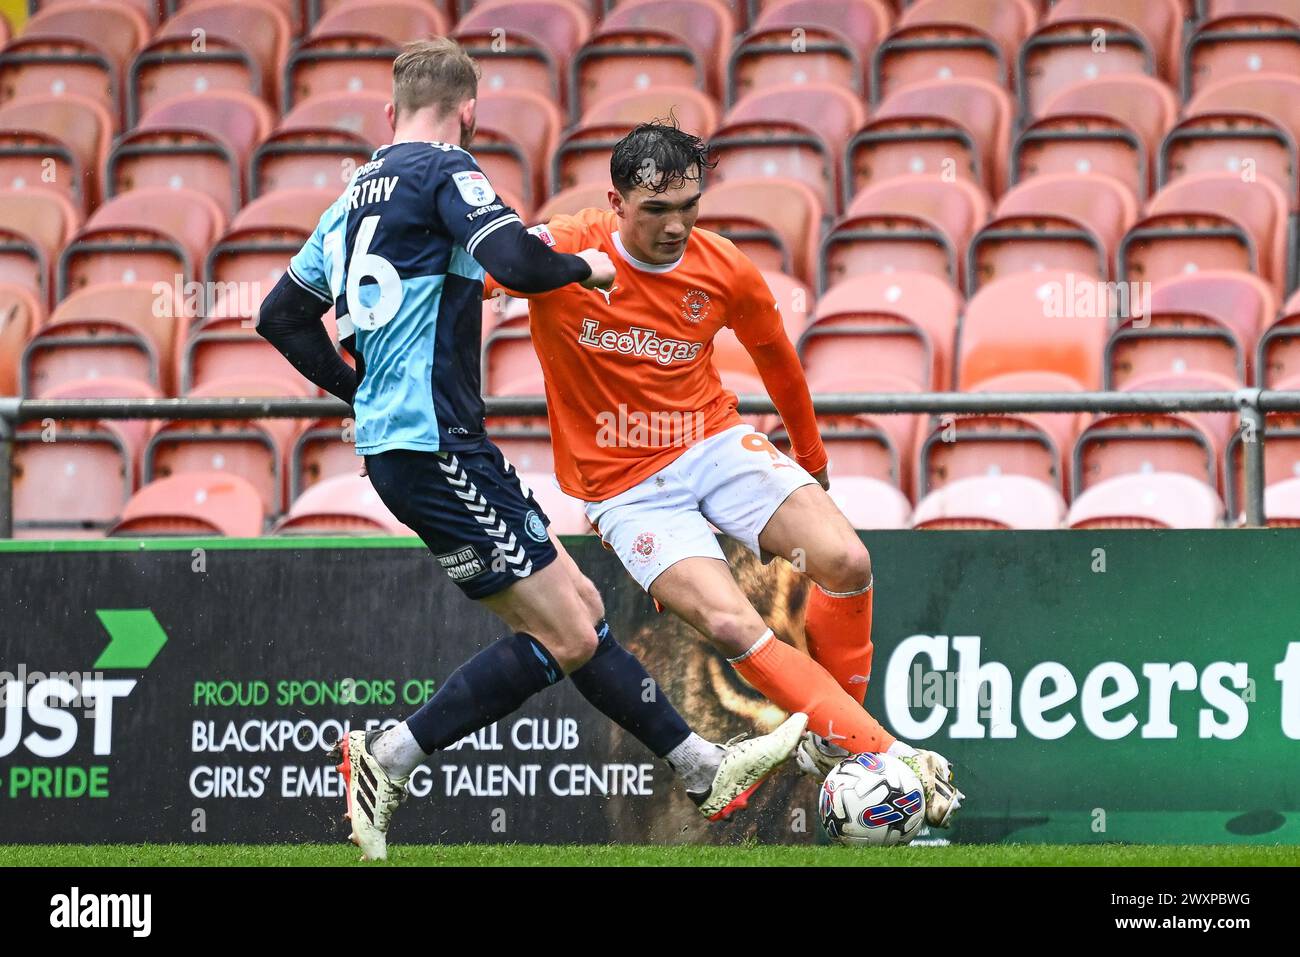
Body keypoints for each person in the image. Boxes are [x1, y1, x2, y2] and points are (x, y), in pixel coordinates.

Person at [255, 40, 806, 860]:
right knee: (571, 632)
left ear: (388, 112)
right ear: (469, 112)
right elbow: (513, 258)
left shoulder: (348, 203)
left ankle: (698, 766)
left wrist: (358, 390)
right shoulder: (447, 170)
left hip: (418, 447)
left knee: (578, 609)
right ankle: (391, 755)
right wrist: (585, 265)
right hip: (435, 446)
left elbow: (280, 317)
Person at [483, 120, 963, 828]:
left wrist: (814, 459)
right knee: (730, 620)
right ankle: (885, 754)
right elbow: (467, 271)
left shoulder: (723, 267)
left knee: (847, 559)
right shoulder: (562, 251)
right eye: (656, 210)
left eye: (689, 207)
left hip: (710, 440)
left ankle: (841, 742)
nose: (676, 226)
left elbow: (778, 360)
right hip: (626, 488)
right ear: (616, 204)